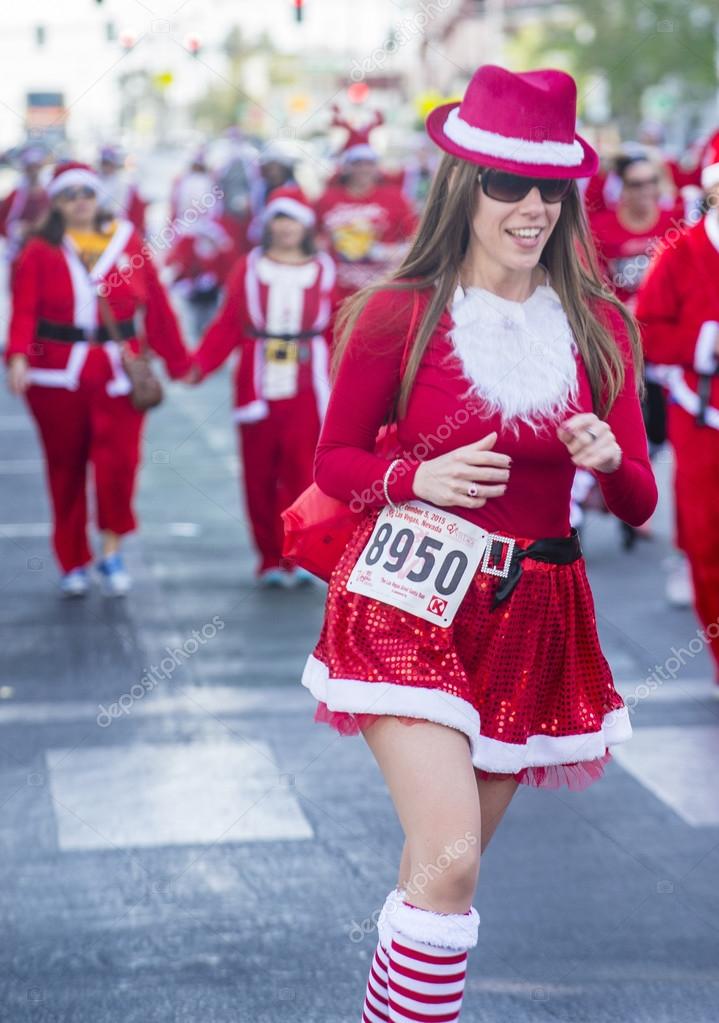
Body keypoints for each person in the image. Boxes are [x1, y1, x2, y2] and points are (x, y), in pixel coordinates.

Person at [298, 65, 657, 1021]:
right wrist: (410, 476)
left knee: (437, 871)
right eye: (508, 184)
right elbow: (333, 459)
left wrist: (612, 454)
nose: (533, 207)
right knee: (450, 862)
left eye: (550, 188)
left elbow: (637, 502)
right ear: (464, 185)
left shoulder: (600, 324)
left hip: (533, 611)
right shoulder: (395, 313)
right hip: (407, 602)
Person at [4, 162, 191, 597]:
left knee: (119, 466)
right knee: (65, 468)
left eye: (86, 193)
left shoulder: (127, 240)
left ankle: (111, 550)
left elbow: (157, 307)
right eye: (68, 195)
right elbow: (24, 309)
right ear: (56, 204)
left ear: (98, 196)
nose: (79, 202)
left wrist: (180, 361)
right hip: (56, 376)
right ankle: (72, 560)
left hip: (118, 373)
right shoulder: (38, 249)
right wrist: (16, 356)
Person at [188, 187, 335, 586]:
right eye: (278, 219)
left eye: (293, 219)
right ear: (268, 225)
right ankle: (269, 557)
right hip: (258, 384)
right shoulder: (249, 267)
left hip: (309, 385)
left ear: (305, 225)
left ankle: (300, 555)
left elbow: (342, 328)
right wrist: (200, 363)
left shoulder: (325, 269)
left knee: (304, 474)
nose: (286, 228)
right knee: (258, 474)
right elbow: (228, 323)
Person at [635, 130, 719, 688]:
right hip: (702, 417)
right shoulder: (680, 250)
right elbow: (644, 332)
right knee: (709, 542)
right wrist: (703, 341)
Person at [586, 152, 676, 550]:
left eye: (651, 182)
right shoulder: (603, 228)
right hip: (618, 343)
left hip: (660, 345)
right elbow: (591, 288)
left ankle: (632, 490)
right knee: (622, 422)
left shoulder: (671, 226)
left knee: (659, 430)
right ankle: (611, 493)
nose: (646, 192)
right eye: (636, 184)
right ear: (622, 188)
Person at [316, 110, 417, 303]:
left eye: (369, 163)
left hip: (382, 292)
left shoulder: (395, 198)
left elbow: (415, 244)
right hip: (336, 293)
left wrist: (383, 252)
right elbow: (313, 240)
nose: (363, 169)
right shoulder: (326, 199)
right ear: (346, 167)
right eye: (357, 163)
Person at [0, 143, 50, 271]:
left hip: (47, 247)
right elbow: (3, 222)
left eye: (36, 167)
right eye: (30, 168)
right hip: (20, 251)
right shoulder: (15, 196)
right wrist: (17, 229)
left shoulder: (50, 193)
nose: (33, 171)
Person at [95, 144, 147, 234]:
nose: (106, 166)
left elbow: (118, 210)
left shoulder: (122, 184)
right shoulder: (95, 179)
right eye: (104, 163)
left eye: (109, 163)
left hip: (114, 226)